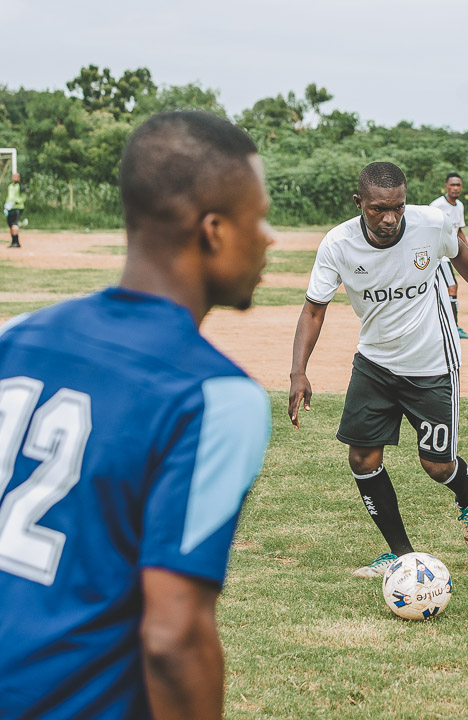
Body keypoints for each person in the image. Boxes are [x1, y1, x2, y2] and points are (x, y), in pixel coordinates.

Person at [0, 111, 273, 719]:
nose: (270, 238)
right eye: (258, 219)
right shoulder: (215, 395)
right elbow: (174, 636)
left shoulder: (15, 338)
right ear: (214, 232)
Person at [288, 161, 468, 578]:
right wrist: (298, 372)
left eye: (397, 206)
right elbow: (313, 310)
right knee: (361, 459)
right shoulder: (338, 244)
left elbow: (461, 253)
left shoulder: (430, 224)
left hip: (433, 362)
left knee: (436, 465)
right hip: (374, 362)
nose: (390, 217)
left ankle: (467, 497)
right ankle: (402, 555)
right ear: (359, 202)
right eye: (379, 208)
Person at [430, 173, 468, 339]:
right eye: (452, 185)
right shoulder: (437, 205)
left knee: (441, 289)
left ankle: (444, 325)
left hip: (451, 254)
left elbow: (458, 230)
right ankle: (453, 327)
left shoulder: (459, 206)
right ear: (446, 186)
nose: (455, 188)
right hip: (440, 255)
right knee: (452, 286)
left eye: (458, 185)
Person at [5, 172, 25, 248]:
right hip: (9, 208)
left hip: (17, 207)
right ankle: (13, 240)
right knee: (10, 224)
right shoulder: (10, 186)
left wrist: (16, 202)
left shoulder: (21, 186)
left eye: (16, 177)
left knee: (14, 224)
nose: (15, 178)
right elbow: (9, 197)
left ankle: (16, 241)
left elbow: (23, 197)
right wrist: (6, 205)